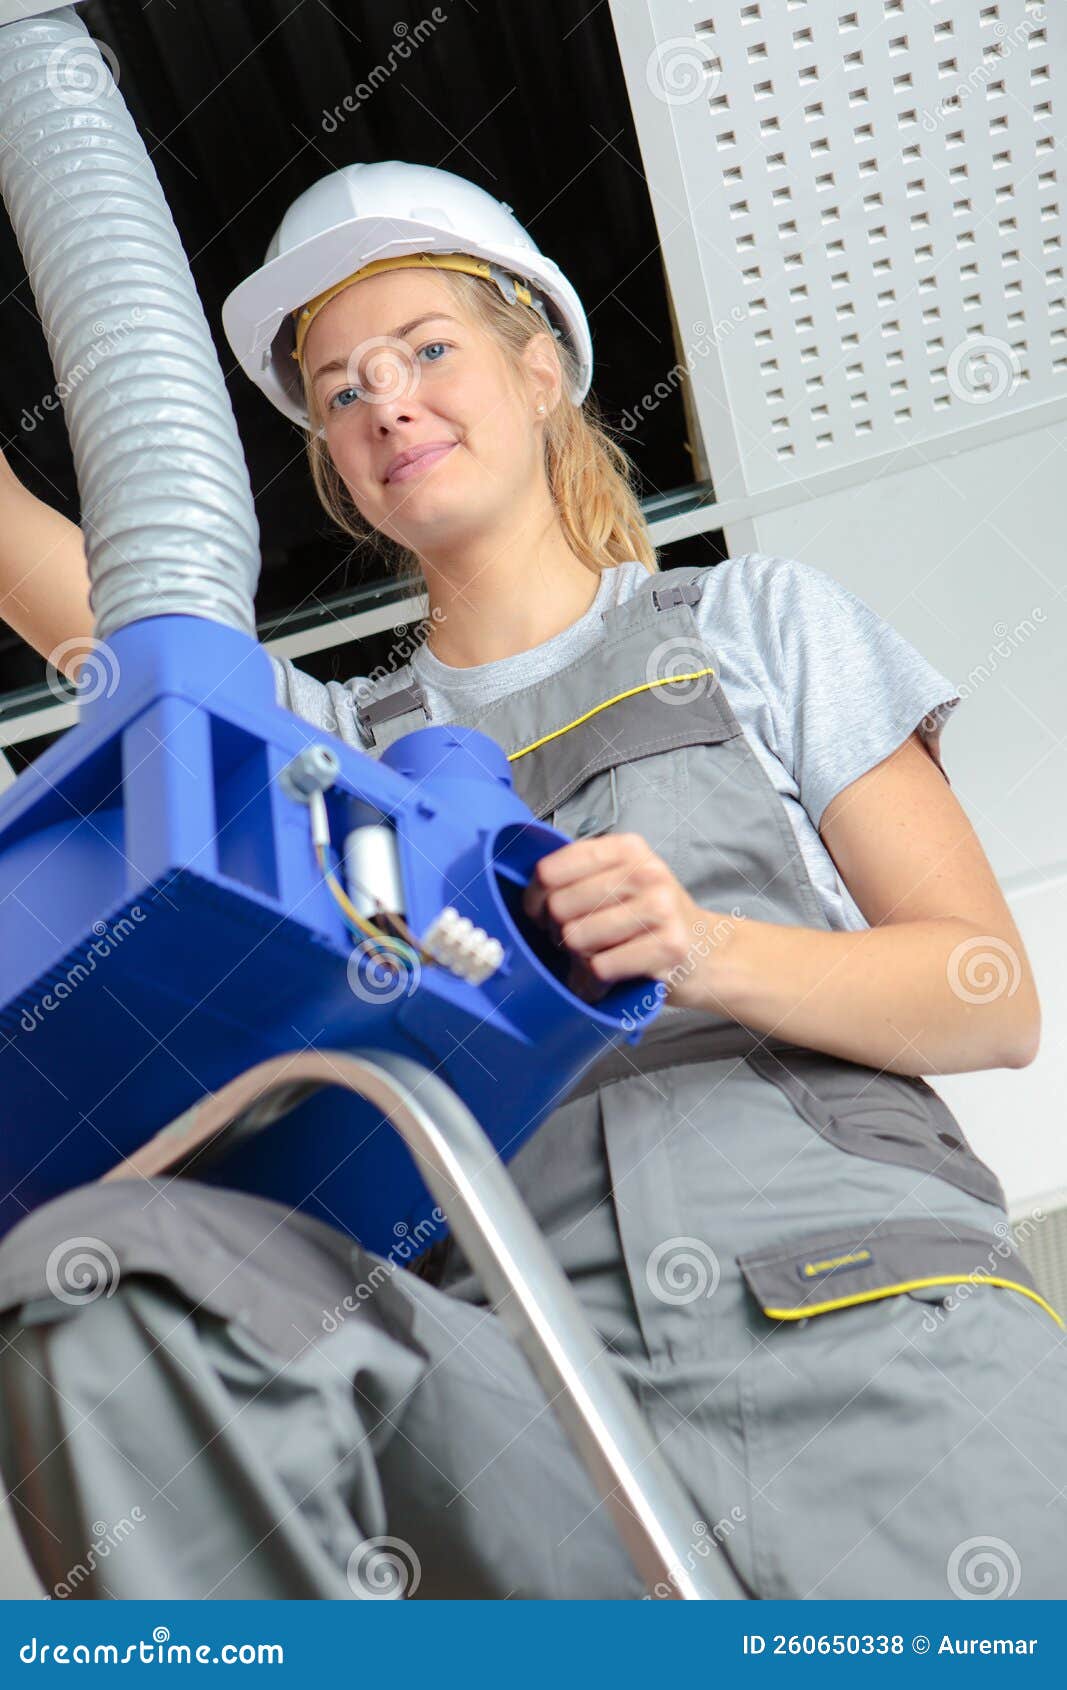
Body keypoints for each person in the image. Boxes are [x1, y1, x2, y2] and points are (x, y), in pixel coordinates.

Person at [0, 159, 1064, 1602]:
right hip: (526, 1402)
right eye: (339, 389)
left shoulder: (754, 620)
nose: (383, 401)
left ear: (545, 365)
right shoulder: (336, 748)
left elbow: (987, 993)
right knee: (103, 1275)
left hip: (876, 1337)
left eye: (428, 348)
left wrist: (705, 948)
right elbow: (107, 598)